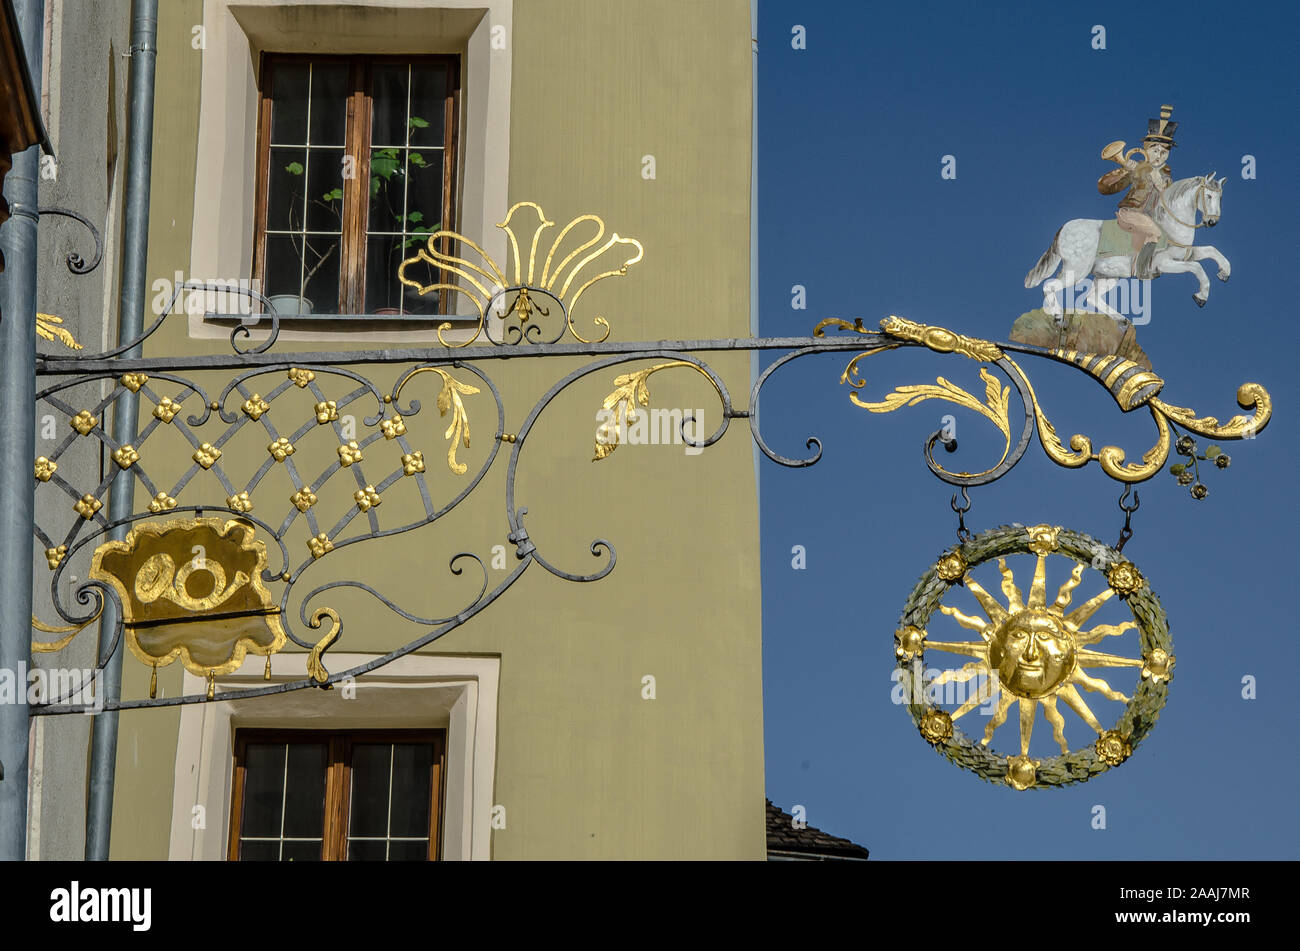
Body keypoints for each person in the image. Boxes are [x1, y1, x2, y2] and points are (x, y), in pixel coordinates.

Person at [1097, 105, 1177, 279]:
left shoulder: (1167, 177)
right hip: (1132, 213)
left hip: (1153, 218)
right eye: (1155, 150)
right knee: (1154, 233)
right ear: (1146, 149)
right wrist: (1126, 170)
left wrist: (1158, 180)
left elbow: (1169, 200)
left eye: (1164, 152)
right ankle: (1141, 269)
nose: (1159, 155)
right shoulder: (1138, 169)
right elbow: (1104, 187)